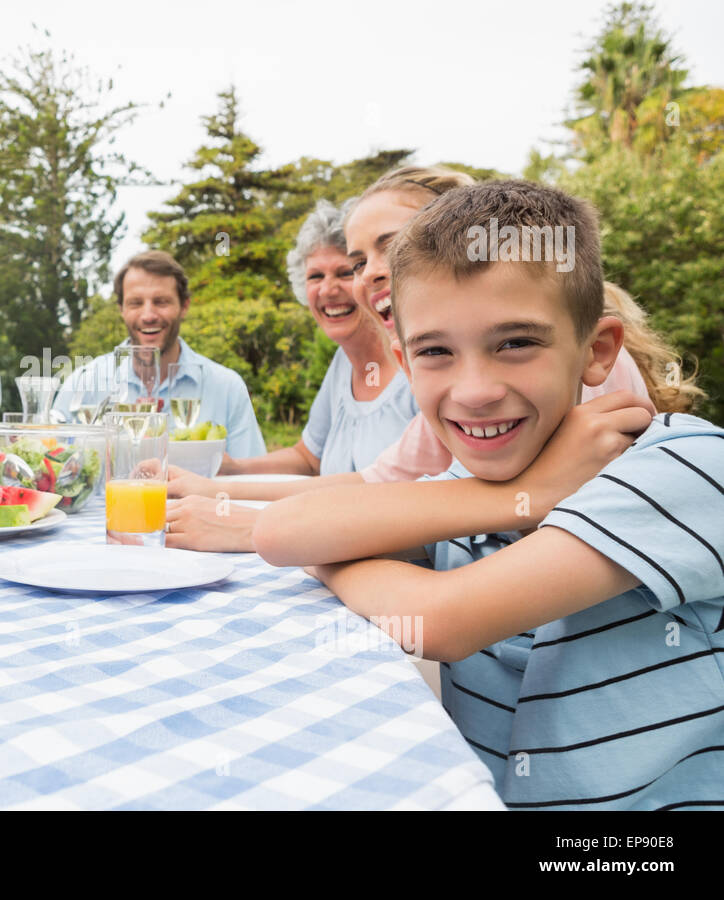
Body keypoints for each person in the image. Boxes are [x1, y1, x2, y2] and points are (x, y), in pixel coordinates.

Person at [254, 179, 724, 810]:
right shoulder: (485, 490)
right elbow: (283, 531)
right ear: (404, 357)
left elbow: (440, 622)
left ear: (597, 350)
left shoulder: (683, 465)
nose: (474, 389)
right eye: (436, 352)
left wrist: (339, 555)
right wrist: (528, 494)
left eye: (515, 343)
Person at [164, 166, 663, 551]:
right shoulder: (439, 379)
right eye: (360, 260)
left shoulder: (572, 377)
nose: (374, 274)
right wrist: (221, 491)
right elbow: (374, 485)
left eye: (396, 248)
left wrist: (252, 523)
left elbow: (533, 507)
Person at [52, 250, 266, 458]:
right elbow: (50, 470)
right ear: (121, 310)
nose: (148, 315)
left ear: (184, 306)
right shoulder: (83, 383)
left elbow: (250, 477)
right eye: (136, 303)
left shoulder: (227, 388)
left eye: (161, 301)